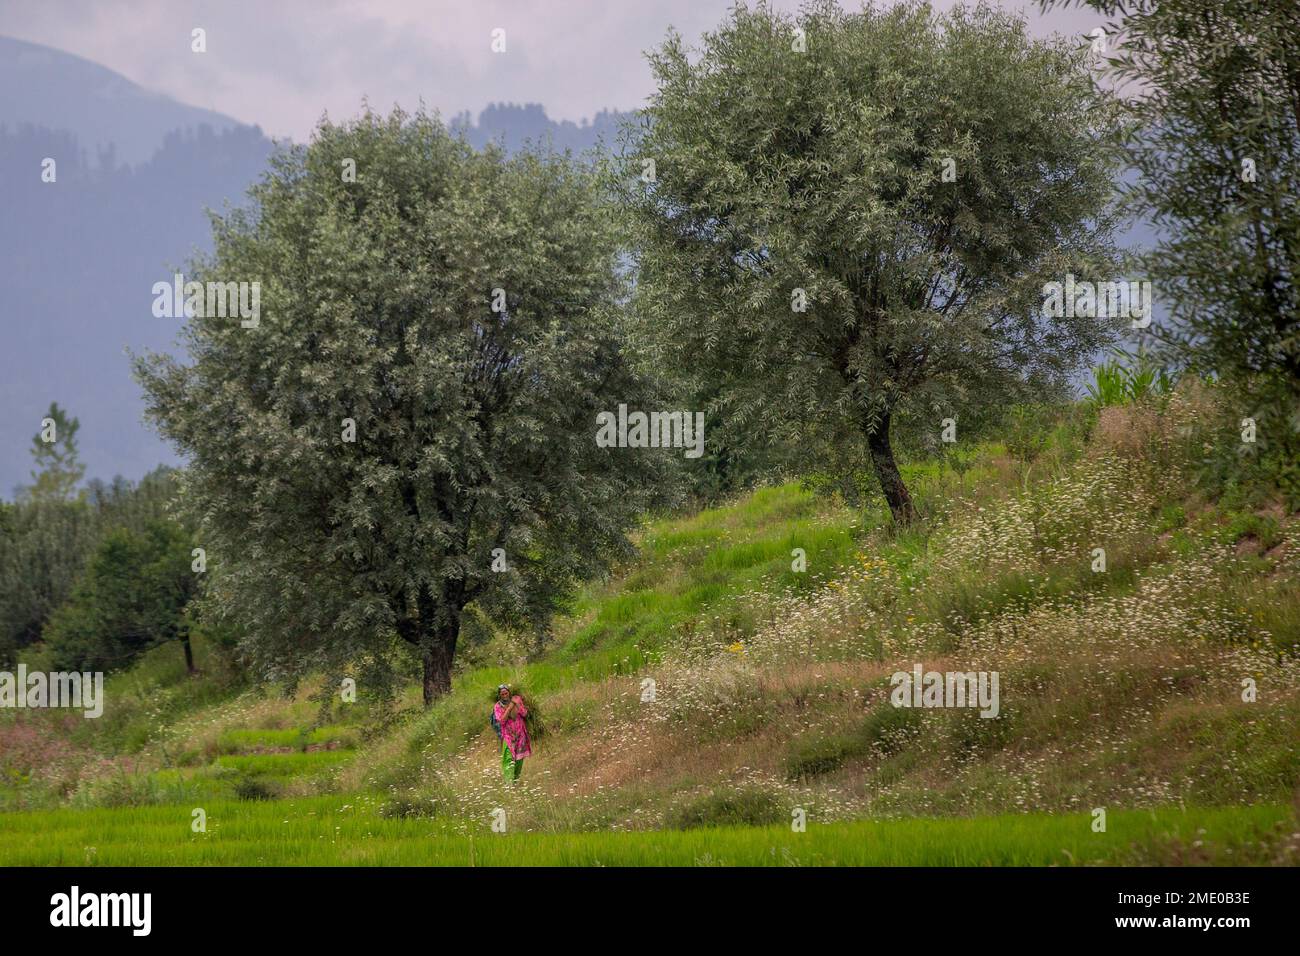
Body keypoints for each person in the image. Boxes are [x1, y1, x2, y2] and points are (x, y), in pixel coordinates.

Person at [492, 684, 531, 781]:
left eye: (506, 693)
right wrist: (509, 708)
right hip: (508, 735)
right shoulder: (497, 706)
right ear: (499, 695)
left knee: (519, 759)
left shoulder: (517, 699)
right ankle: (508, 784)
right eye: (502, 694)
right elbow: (501, 721)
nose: (505, 695)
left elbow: (524, 714)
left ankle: (515, 781)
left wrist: (516, 704)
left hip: (520, 734)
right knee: (508, 758)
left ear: (509, 693)